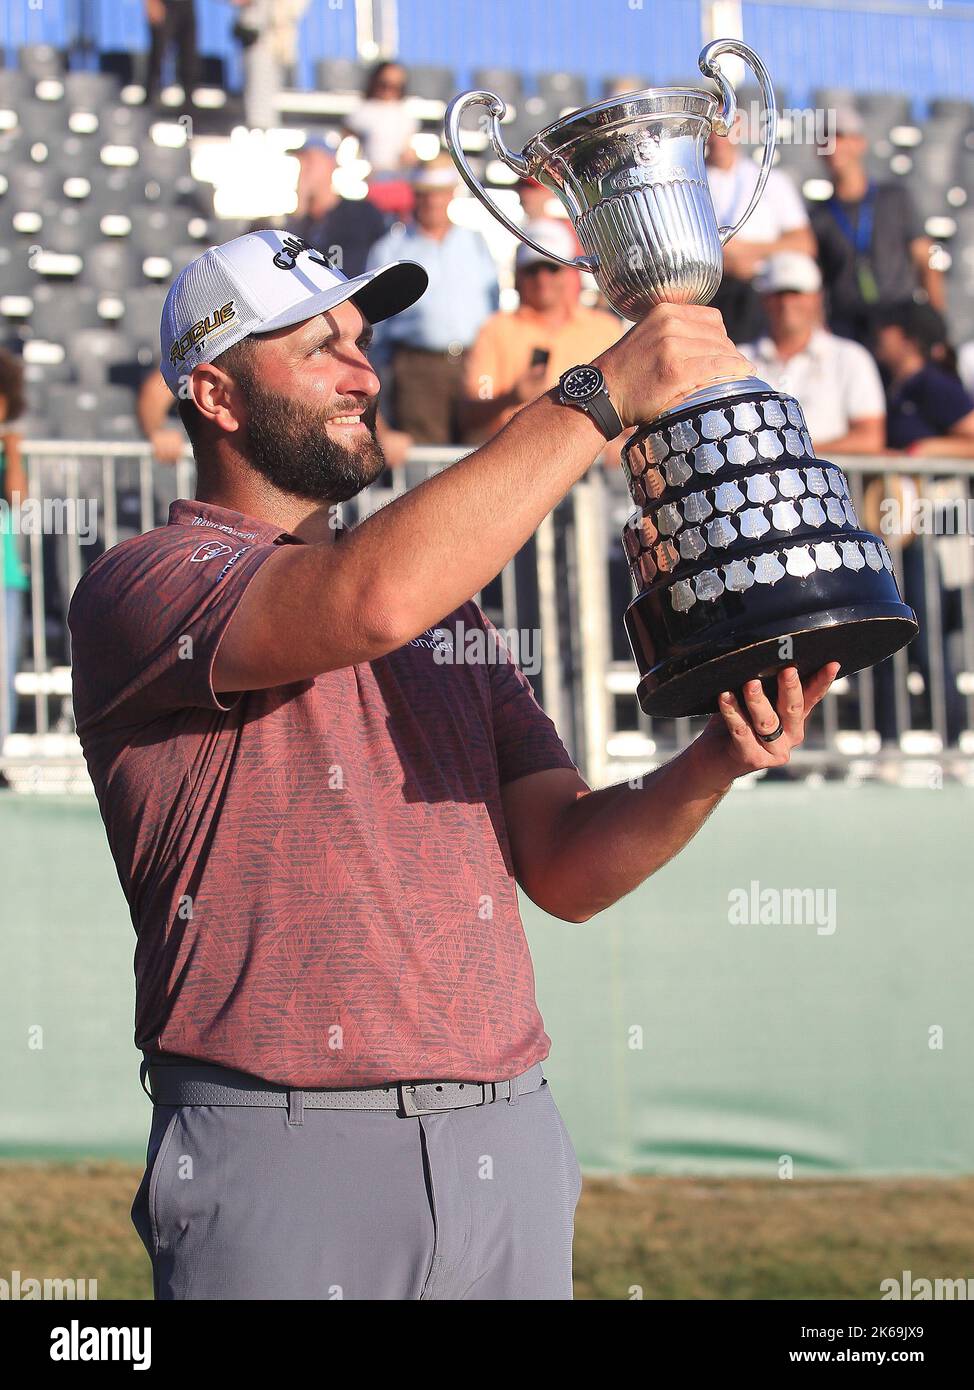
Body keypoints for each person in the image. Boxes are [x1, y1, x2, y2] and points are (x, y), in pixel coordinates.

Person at [67, 226, 836, 1301]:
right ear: (217, 395)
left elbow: (563, 866)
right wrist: (601, 390)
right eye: (316, 348)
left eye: (360, 340)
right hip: (284, 1151)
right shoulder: (141, 585)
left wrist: (713, 759)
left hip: (506, 1135)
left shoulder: (444, 605)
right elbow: (362, 602)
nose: (362, 371)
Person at [871, 302, 972, 745]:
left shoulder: (934, 383)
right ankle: (902, 737)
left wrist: (918, 453)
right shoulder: (898, 385)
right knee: (905, 633)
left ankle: (953, 737)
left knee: (932, 637)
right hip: (902, 524)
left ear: (907, 336)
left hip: (935, 522)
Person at [366, 156, 499, 443]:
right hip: (417, 368)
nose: (432, 201)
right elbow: (375, 325)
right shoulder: (389, 249)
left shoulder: (475, 242)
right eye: (425, 193)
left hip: (475, 362)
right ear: (415, 196)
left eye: (438, 192)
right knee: (425, 461)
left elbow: (493, 305)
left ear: (450, 194)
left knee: (481, 451)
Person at [460, 219, 623, 445]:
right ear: (519, 276)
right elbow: (474, 406)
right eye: (533, 269)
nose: (542, 278)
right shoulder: (494, 330)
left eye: (551, 267)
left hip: (592, 465)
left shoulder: (605, 329)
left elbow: (628, 397)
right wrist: (510, 398)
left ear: (568, 273)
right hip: (517, 461)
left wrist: (620, 440)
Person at [810, 107, 944, 345]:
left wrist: (936, 327)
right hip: (848, 326)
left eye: (839, 136)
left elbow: (926, 262)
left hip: (900, 323)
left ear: (859, 143)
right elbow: (817, 282)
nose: (831, 146)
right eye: (824, 139)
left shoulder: (895, 199)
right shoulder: (818, 216)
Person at [738, 252, 885, 454]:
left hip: (828, 484)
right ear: (764, 300)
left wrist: (795, 455)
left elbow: (869, 438)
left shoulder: (851, 357)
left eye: (796, 292)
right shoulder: (737, 359)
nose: (786, 303)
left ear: (817, 297)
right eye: (778, 294)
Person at [706, 112, 816, 343]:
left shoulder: (772, 181)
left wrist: (741, 251)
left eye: (723, 126)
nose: (717, 135)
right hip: (709, 296)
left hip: (762, 298)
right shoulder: (689, 183)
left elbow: (804, 244)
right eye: (710, 127)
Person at [290, 133, 387, 281]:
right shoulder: (298, 221)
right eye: (301, 161)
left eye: (310, 160)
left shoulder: (362, 213)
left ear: (330, 163)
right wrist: (300, 205)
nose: (304, 169)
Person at [0, 350, 28, 762]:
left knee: (2, 671)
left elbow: (18, 499)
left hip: (5, 575)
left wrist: (14, 454)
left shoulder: (9, 450)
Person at [230, 0, 309, 132]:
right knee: (257, 105)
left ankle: (263, 134)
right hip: (253, 39)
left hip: (272, 41)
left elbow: (291, 10)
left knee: (263, 110)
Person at [343, 60, 418, 174]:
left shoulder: (407, 114)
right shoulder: (361, 111)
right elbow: (347, 145)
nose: (388, 90)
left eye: (395, 86)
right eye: (384, 84)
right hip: (367, 176)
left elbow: (409, 148)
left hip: (398, 176)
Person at [145, 0, 199, 108]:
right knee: (158, 55)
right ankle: (149, 103)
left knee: (189, 57)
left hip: (186, 5)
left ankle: (189, 109)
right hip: (165, 4)